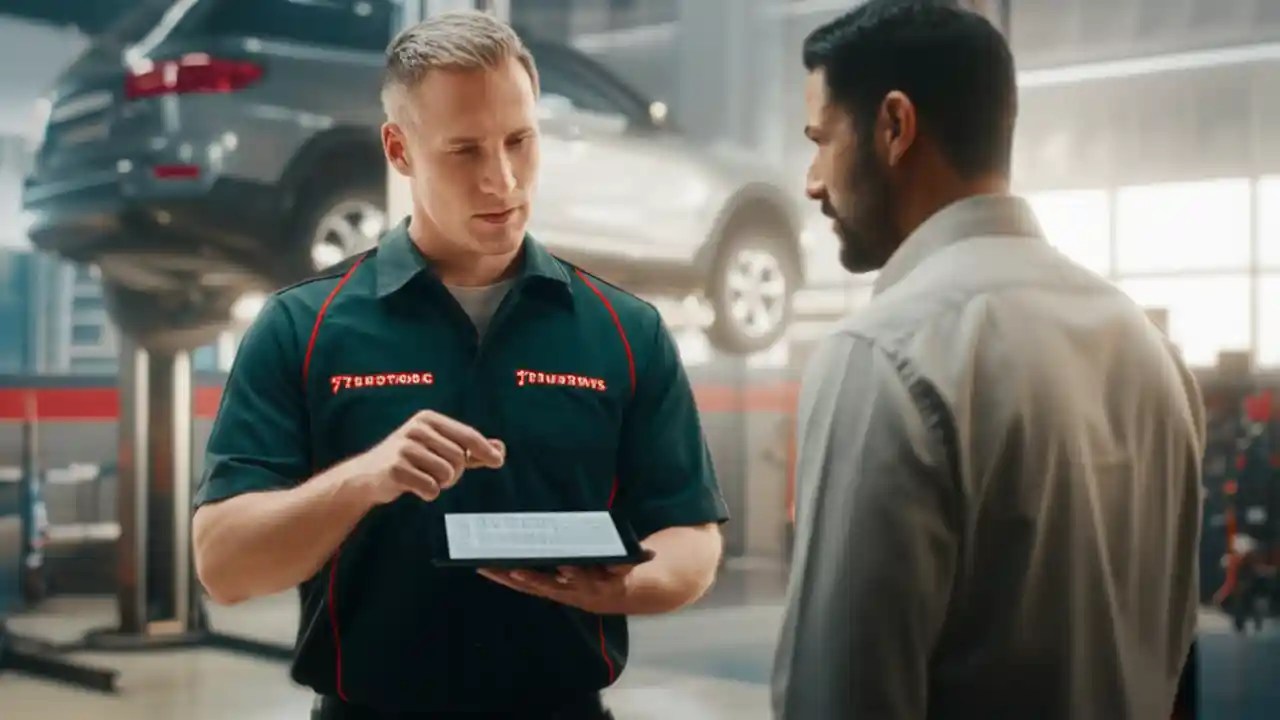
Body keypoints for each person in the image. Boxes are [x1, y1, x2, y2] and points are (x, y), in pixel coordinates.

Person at [191, 11, 729, 719]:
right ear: (399, 148)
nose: (501, 178)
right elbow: (224, 567)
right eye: (465, 150)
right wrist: (365, 478)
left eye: (519, 141)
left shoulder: (626, 332)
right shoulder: (303, 329)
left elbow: (690, 534)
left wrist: (625, 587)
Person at [772, 2, 1205, 719]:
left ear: (894, 126)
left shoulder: (884, 356)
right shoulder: (1151, 354)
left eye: (821, 140)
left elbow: (841, 696)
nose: (813, 180)